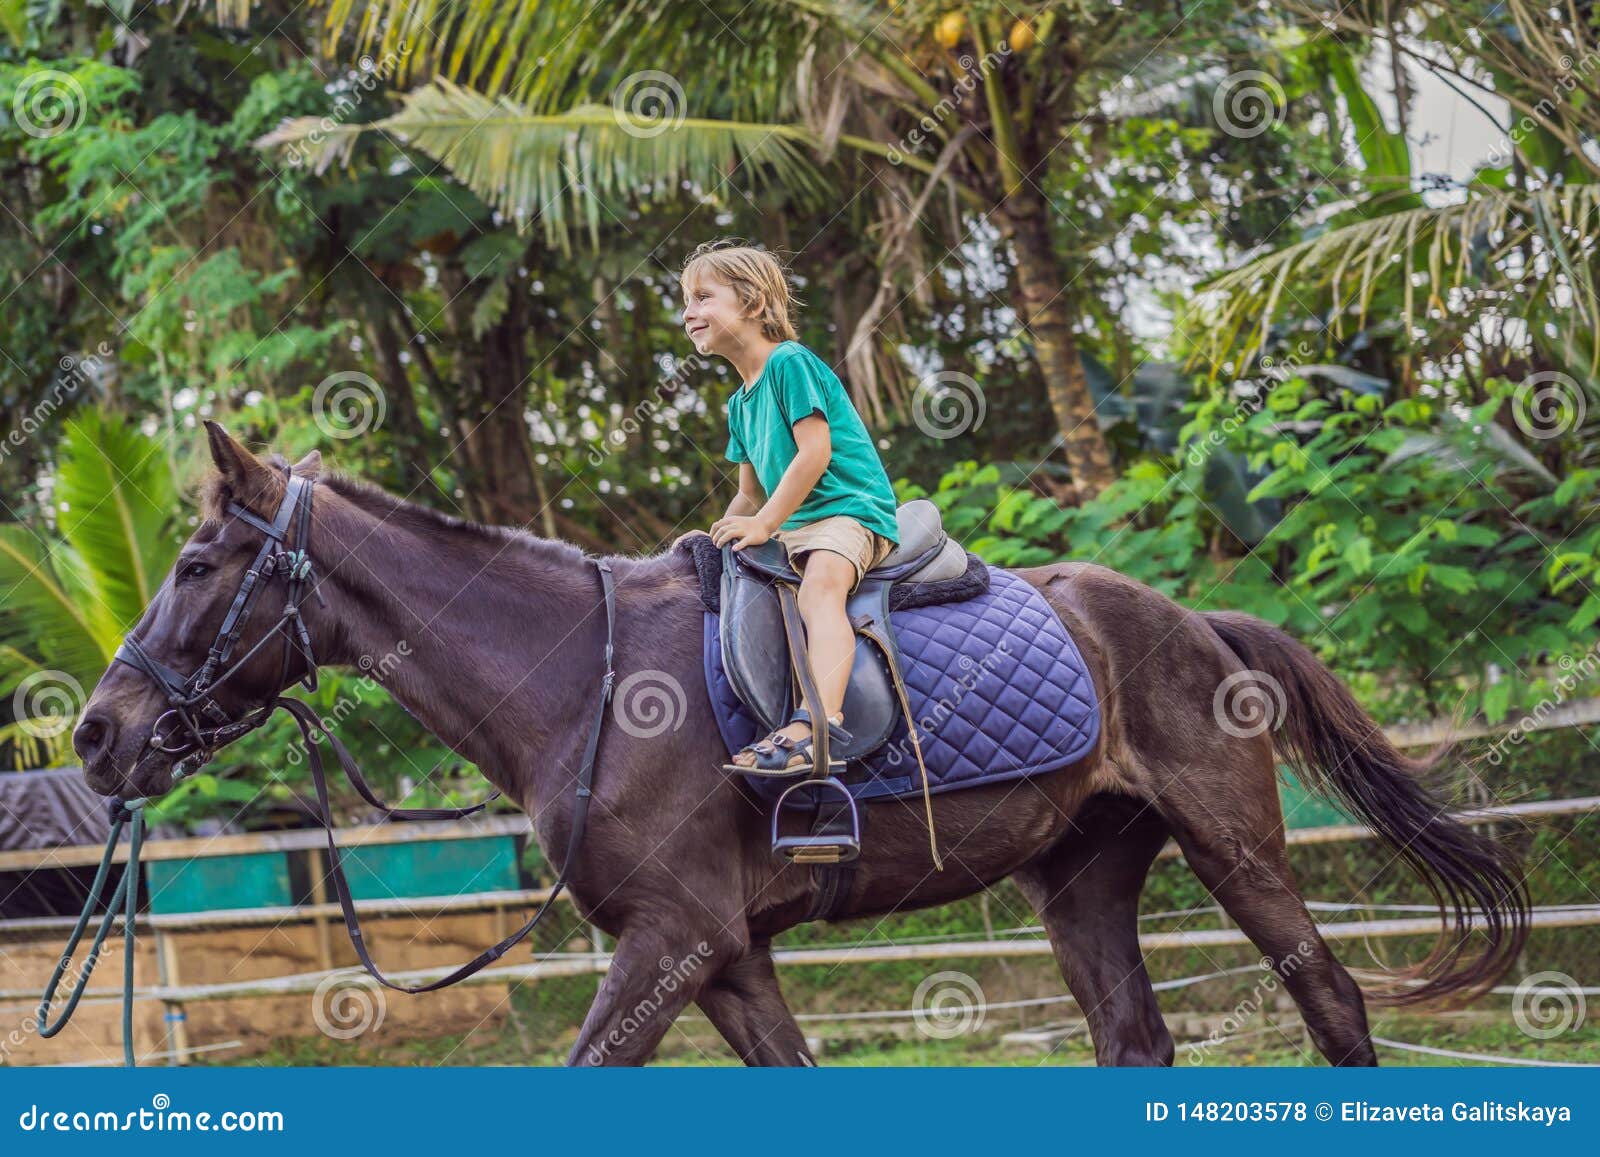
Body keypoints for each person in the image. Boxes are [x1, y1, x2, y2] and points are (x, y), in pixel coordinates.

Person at [676, 240, 900, 775]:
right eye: (685, 301)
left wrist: (764, 524)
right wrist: (719, 534)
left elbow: (815, 453)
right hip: (793, 524)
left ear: (752, 303)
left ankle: (817, 725)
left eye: (703, 297)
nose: (688, 313)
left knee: (820, 588)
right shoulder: (738, 402)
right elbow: (748, 494)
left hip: (847, 513)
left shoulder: (790, 363)